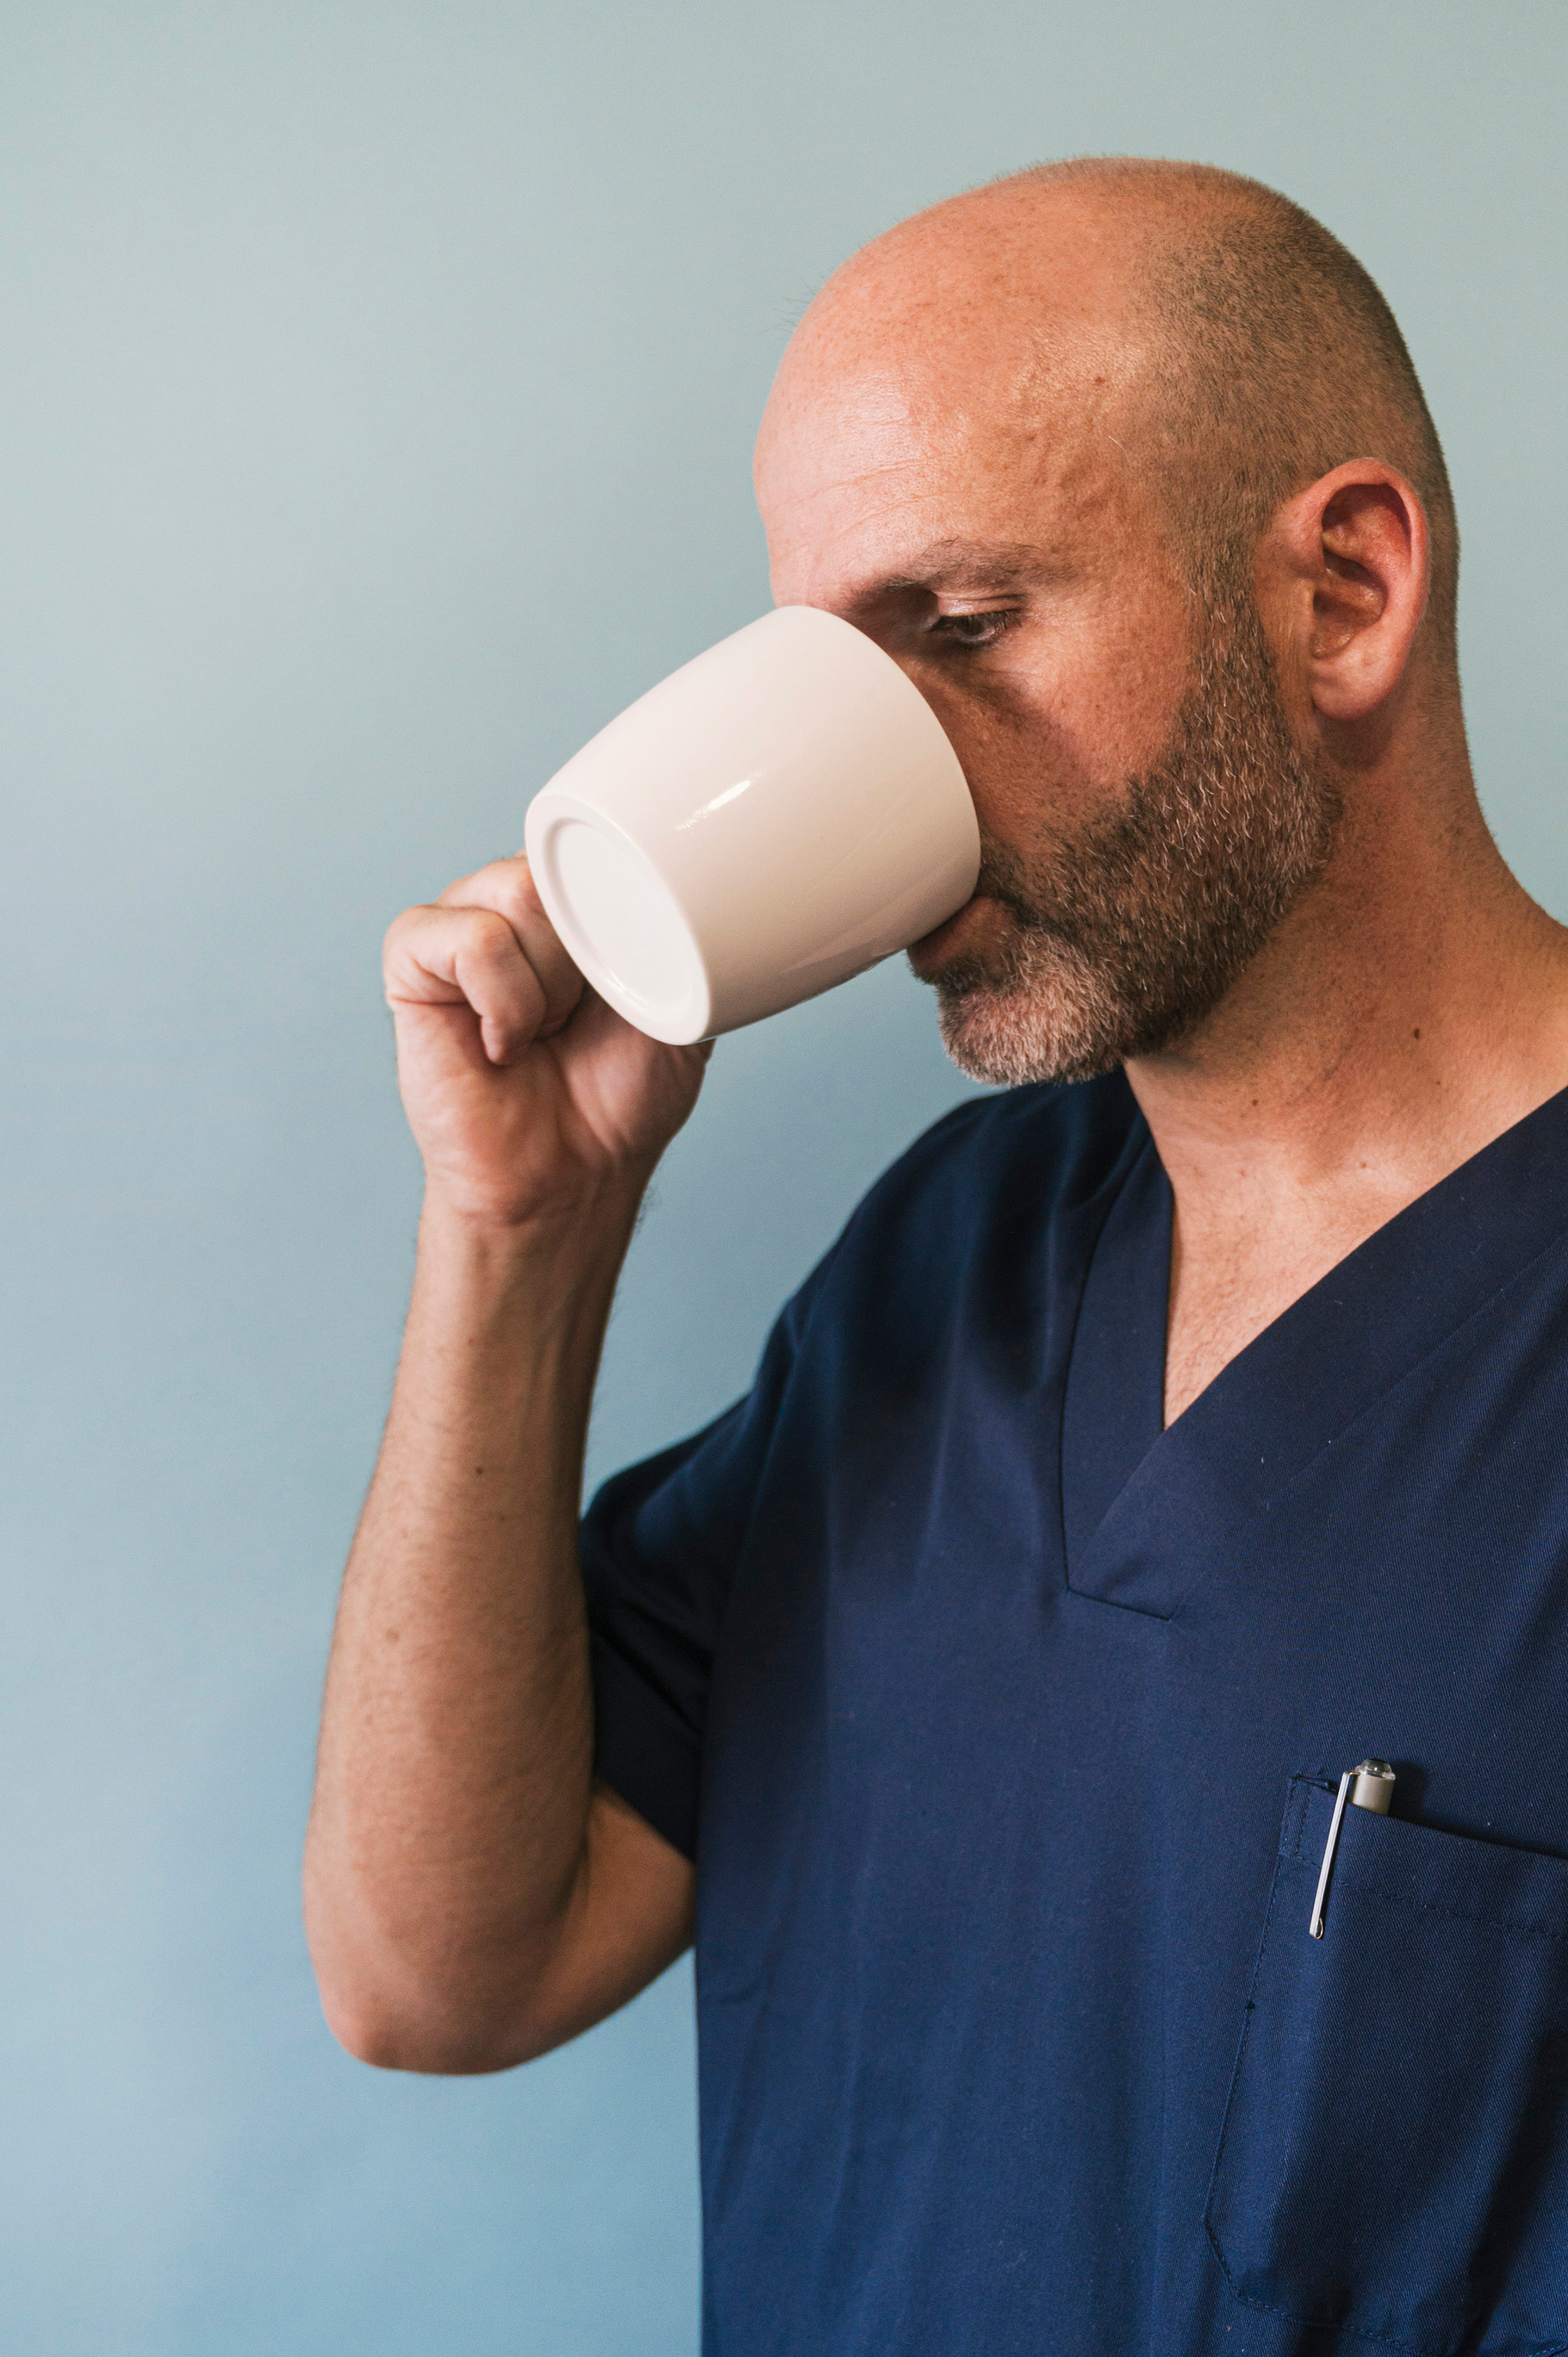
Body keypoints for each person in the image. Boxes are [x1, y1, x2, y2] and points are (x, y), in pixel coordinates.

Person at [305, 158, 1568, 2354]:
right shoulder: (949, 1265)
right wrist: (523, 1228)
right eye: (827, 665)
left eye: (960, 631)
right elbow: (442, 1974)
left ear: (1342, 595)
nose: (894, 778)